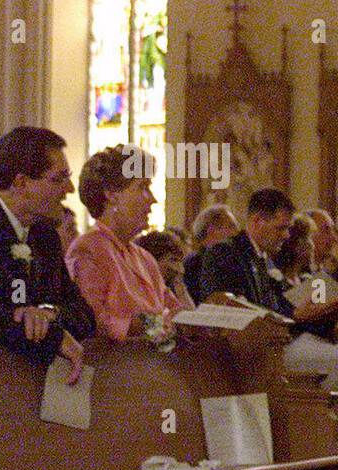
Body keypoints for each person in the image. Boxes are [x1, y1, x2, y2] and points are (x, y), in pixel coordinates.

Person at [0, 126, 94, 383]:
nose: (69, 189)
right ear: (21, 183)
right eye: (58, 179)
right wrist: (52, 335)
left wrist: (49, 313)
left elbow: (84, 315)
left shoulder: (45, 238)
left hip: (32, 387)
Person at [65, 145, 184, 340]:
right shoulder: (88, 250)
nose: (153, 199)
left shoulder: (144, 257)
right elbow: (93, 323)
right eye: (143, 187)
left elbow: (173, 310)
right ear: (111, 194)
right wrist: (157, 324)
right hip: (116, 366)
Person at [183, 203, 240, 302]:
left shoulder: (231, 259)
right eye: (231, 226)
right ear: (212, 230)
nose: (237, 232)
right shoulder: (193, 263)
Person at [135, 229, 195, 311]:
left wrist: (180, 285)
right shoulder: (139, 288)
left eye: (180, 262)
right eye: (173, 260)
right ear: (151, 260)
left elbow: (189, 316)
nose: (179, 268)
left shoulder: (166, 289)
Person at [273, 212, 316, 289]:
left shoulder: (306, 280)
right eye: (308, 238)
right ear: (295, 244)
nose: (312, 244)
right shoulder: (278, 283)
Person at [308, 207, 338, 281]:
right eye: (326, 230)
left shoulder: (335, 272)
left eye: (333, 231)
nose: (334, 238)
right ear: (308, 234)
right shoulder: (296, 275)